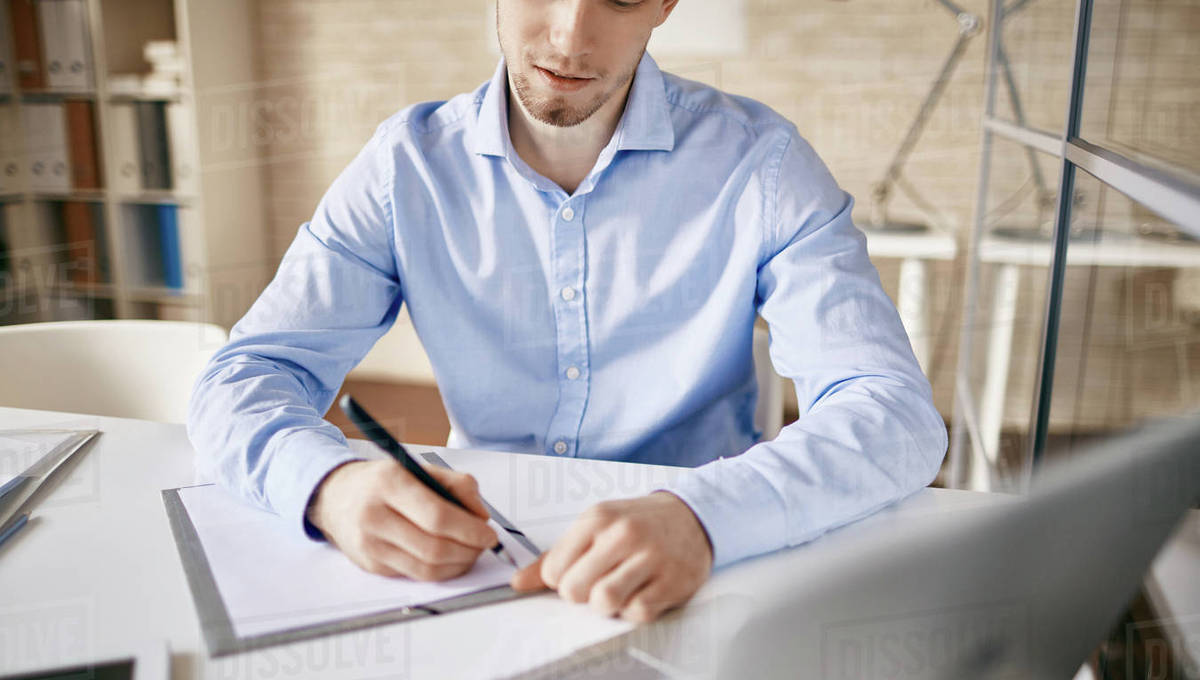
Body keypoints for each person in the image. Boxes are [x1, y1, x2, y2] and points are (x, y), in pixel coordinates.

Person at [188, 0, 948, 623]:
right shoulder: (404, 166)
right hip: (474, 567)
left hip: (705, 564)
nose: (569, 36)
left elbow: (894, 414)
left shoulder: (764, 164)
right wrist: (331, 487)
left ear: (664, 3)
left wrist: (706, 515)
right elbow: (245, 375)